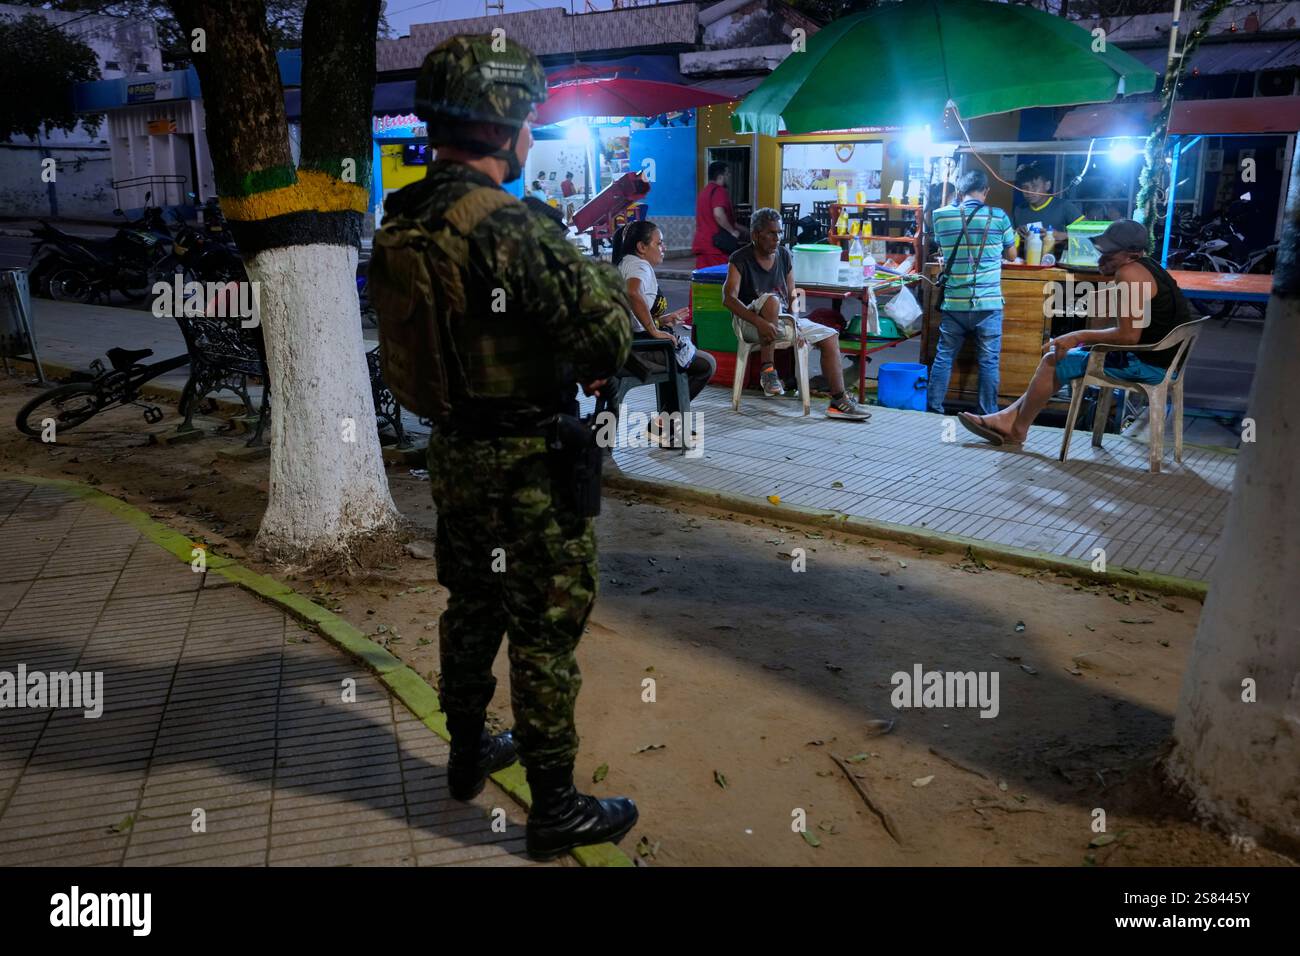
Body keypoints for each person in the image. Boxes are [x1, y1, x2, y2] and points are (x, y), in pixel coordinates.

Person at [379, 34, 638, 860]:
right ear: (500, 125)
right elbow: (606, 342)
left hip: (453, 452)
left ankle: (466, 752)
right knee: (544, 629)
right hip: (529, 461)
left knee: (473, 605)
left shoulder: (406, 216)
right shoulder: (516, 228)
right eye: (526, 119)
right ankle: (555, 808)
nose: (531, 135)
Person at [957, 219, 1190, 447]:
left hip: (1149, 365)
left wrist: (1077, 336)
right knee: (1065, 357)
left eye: (1110, 252)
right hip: (1164, 361)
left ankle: (1017, 429)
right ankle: (1006, 418)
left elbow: (1129, 337)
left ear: (1132, 254)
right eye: (1103, 250)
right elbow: (1119, 321)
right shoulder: (1149, 267)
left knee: (1053, 360)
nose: (1102, 256)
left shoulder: (1129, 273)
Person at [722, 207, 871, 420]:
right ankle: (768, 370)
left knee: (830, 336)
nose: (778, 238)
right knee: (771, 301)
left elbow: (793, 294)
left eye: (780, 233)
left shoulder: (784, 254)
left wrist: (796, 322)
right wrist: (760, 322)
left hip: (783, 320)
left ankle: (838, 400)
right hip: (750, 323)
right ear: (756, 235)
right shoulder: (739, 259)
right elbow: (728, 299)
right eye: (772, 233)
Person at [926, 169, 1017, 417]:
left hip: (954, 302)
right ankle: (987, 414)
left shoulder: (940, 216)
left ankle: (933, 410)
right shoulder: (999, 216)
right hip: (988, 305)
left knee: (944, 357)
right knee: (988, 362)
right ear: (986, 191)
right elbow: (1011, 255)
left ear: (958, 191)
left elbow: (942, 246)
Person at [613, 219, 717, 435]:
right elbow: (633, 293)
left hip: (626, 344)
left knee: (679, 356)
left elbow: (630, 313)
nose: (663, 248)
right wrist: (653, 330)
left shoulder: (626, 263)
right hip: (636, 350)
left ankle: (665, 424)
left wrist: (662, 321)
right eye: (659, 243)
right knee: (705, 365)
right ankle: (663, 422)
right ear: (642, 247)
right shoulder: (639, 266)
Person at [1013, 162, 1085, 259]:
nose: (1029, 192)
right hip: (1027, 264)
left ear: (1047, 185)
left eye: (1034, 186)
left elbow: (1088, 234)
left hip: (1059, 265)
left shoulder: (1064, 207)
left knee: (1069, 275)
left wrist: (1062, 235)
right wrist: (1016, 232)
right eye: (1025, 188)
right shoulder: (1019, 210)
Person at [692, 160, 741, 269]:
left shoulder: (704, 192)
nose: (729, 177)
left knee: (702, 282)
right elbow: (718, 214)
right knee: (719, 281)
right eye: (728, 174)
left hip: (702, 245)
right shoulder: (719, 191)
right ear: (721, 176)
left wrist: (742, 230)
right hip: (716, 248)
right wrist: (732, 232)